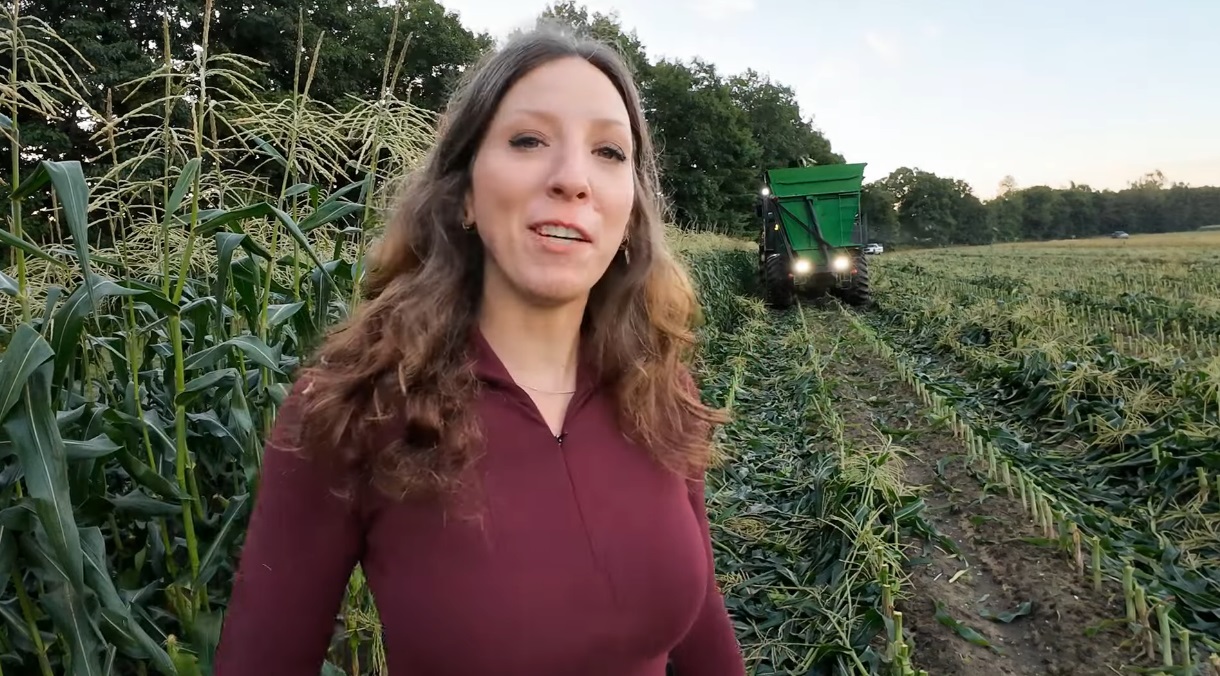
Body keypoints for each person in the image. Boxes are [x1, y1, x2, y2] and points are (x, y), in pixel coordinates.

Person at [213, 22, 747, 676]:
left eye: (609, 151)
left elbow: (703, 629)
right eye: (529, 140)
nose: (573, 178)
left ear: (630, 213)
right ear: (464, 194)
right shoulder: (355, 408)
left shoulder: (661, 390)